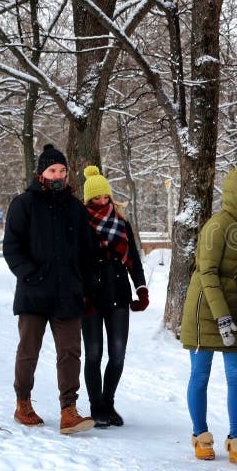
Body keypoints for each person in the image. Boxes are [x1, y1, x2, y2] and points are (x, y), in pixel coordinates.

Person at [3, 144, 96, 435]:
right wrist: (29, 274)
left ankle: (69, 410)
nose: (58, 175)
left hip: (67, 294)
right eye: (52, 170)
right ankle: (23, 403)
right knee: (28, 351)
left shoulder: (75, 208)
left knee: (70, 352)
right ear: (41, 173)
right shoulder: (23, 204)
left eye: (62, 170)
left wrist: (83, 283)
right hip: (33, 292)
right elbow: (12, 247)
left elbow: (87, 250)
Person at [180, 167, 237, 466]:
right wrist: (221, 317)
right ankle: (200, 436)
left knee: (236, 374)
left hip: (234, 307)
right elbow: (207, 273)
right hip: (205, 307)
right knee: (200, 373)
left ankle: (236, 438)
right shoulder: (216, 227)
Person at [81, 165, 149, 427]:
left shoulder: (121, 221)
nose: (101, 201)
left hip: (119, 292)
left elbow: (133, 258)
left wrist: (141, 288)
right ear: (88, 199)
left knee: (118, 354)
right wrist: (80, 292)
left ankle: (108, 402)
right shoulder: (81, 222)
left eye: (105, 196)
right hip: (91, 294)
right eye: (96, 198)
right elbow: (76, 261)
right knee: (93, 354)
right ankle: (95, 406)